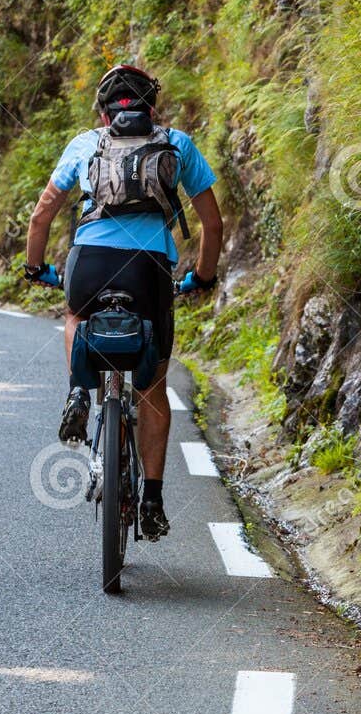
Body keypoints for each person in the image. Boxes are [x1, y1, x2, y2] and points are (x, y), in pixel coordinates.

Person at [24, 63, 223, 539]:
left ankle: (78, 387)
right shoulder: (178, 144)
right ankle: (151, 499)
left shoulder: (84, 144)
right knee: (151, 388)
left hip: (90, 262)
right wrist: (204, 276)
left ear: (103, 110)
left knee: (76, 313)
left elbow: (41, 216)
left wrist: (35, 268)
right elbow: (213, 225)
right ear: (153, 107)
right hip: (149, 270)